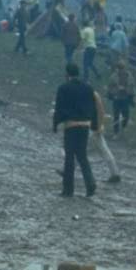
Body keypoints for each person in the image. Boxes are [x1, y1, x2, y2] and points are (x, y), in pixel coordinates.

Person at [53, 62, 97, 198]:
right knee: (82, 156)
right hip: (85, 125)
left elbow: (59, 107)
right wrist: (94, 125)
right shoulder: (88, 88)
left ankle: (68, 190)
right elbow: (94, 107)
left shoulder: (63, 88)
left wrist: (55, 123)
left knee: (69, 157)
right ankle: (90, 183)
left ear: (67, 74)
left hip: (71, 126)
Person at [106, 58, 136, 135]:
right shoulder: (113, 76)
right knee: (116, 115)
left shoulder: (129, 76)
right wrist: (114, 91)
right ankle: (115, 132)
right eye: (119, 67)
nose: (121, 69)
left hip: (126, 98)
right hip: (116, 98)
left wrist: (132, 96)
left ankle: (124, 127)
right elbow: (109, 87)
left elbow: (132, 86)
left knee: (126, 115)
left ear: (125, 67)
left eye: (122, 67)